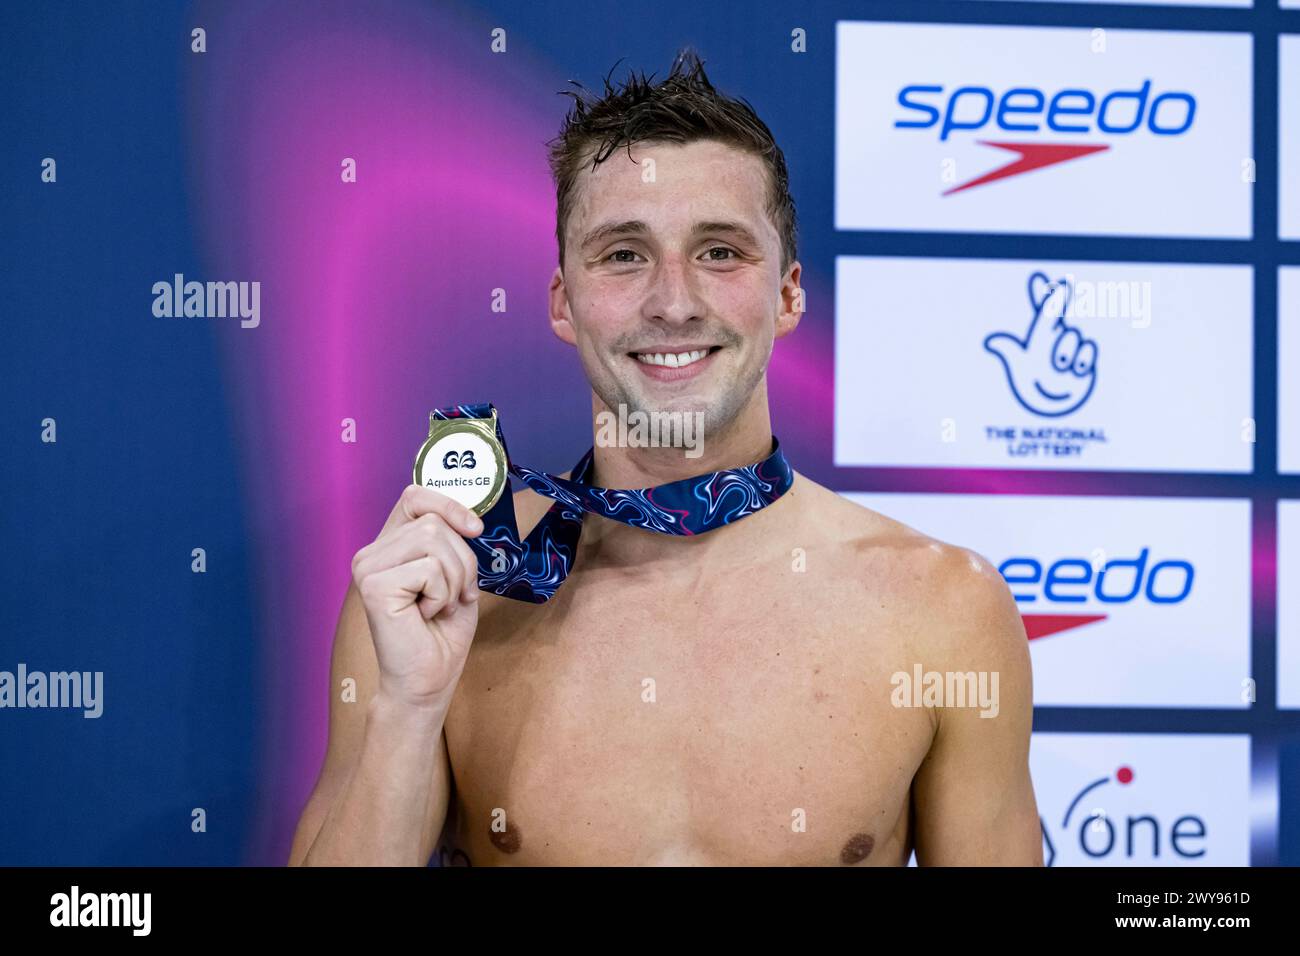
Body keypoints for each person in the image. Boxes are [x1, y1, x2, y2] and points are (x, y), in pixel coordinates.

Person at [288, 49, 1041, 866]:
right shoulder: (441, 586)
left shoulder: (944, 609)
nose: (674, 301)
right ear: (562, 301)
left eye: (720, 252)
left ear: (788, 294)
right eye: (623, 254)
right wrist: (406, 710)